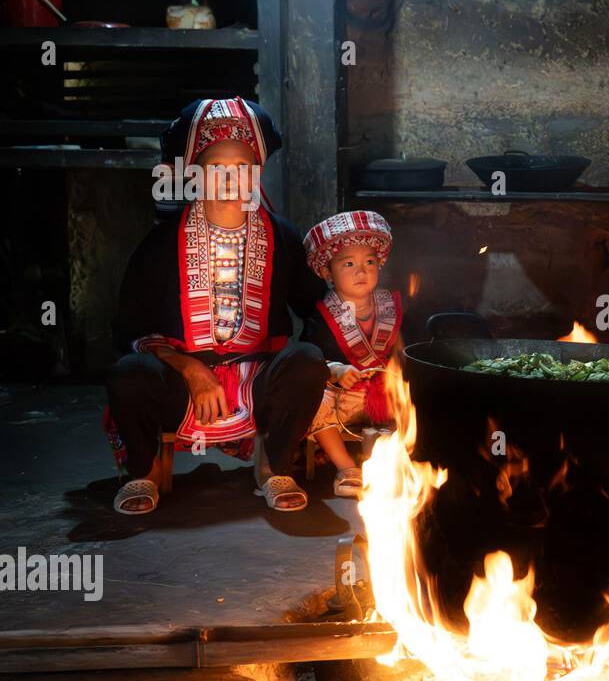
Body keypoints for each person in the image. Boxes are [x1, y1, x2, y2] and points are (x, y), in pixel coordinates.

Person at [105, 97, 328, 514]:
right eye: (217, 168)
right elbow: (129, 329)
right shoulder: (161, 243)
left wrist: (351, 341)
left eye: (242, 167)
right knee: (128, 373)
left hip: (257, 380)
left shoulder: (281, 236)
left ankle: (272, 467)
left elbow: (314, 307)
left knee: (308, 360)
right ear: (196, 174)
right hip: (181, 386)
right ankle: (146, 471)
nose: (230, 178)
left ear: (256, 174)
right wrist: (191, 370)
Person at [300, 211, 404, 498]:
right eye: (349, 263)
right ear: (326, 272)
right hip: (342, 399)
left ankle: (395, 465)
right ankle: (346, 468)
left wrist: (391, 381)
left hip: (386, 397)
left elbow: (405, 355)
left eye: (369, 262)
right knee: (313, 400)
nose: (362, 272)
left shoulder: (391, 306)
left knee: (419, 393)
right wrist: (336, 371)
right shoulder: (321, 315)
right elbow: (309, 359)